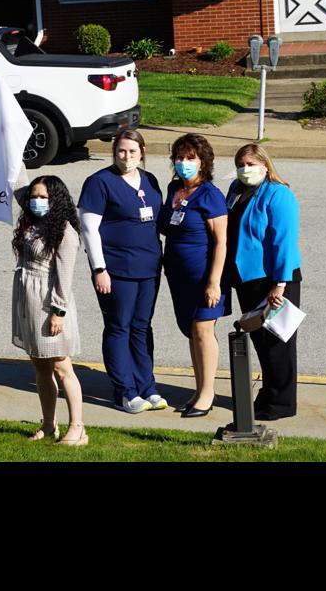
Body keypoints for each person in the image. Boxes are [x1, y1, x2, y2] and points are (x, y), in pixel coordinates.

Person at [77, 127, 167, 414]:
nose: (126, 156)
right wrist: (99, 268)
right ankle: (125, 392)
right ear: (114, 152)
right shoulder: (99, 182)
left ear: (142, 152)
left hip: (149, 268)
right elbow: (89, 229)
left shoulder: (149, 180)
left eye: (132, 151)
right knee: (119, 326)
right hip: (117, 269)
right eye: (121, 151)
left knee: (142, 327)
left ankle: (147, 386)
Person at [221, 144, 303, 420]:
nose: (245, 169)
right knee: (261, 341)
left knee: (278, 344)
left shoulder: (279, 194)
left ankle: (281, 404)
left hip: (275, 280)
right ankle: (268, 394)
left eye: (251, 164)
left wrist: (280, 284)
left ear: (265, 166)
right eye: (241, 165)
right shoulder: (236, 189)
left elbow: (284, 242)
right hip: (248, 278)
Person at [11, 175, 87, 446]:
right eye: (34, 196)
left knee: (61, 366)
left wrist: (58, 311)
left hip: (49, 303)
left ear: (56, 200)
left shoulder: (65, 232)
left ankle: (78, 428)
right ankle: (48, 423)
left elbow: (64, 277)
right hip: (28, 300)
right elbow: (17, 181)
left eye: (44, 197)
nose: (37, 201)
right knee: (40, 366)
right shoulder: (33, 222)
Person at [158, 133, 230, 418]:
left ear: (203, 162)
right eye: (179, 157)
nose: (184, 162)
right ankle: (199, 389)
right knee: (192, 332)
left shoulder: (210, 195)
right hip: (179, 277)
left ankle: (208, 393)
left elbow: (221, 242)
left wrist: (214, 282)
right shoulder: (174, 189)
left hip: (205, 276)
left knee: (203, 330)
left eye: (190, 158)